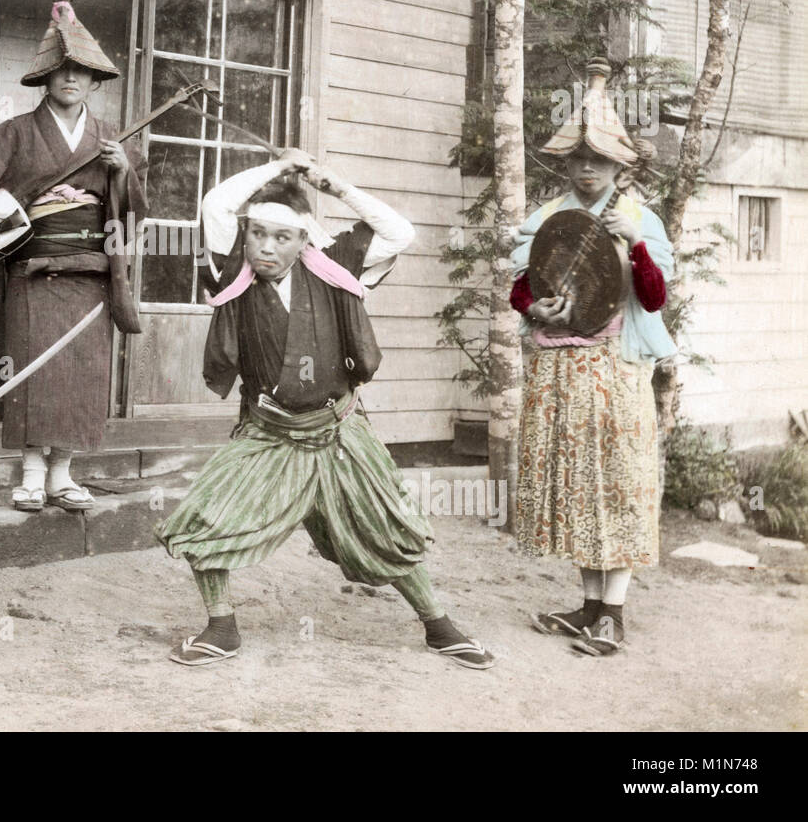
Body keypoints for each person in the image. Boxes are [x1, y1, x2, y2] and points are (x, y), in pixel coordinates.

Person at [154, 149, 494, 669]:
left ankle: (437, 624)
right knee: (205, 520)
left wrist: (333, 184)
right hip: (268, 433)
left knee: (387, 529)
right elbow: (216, 204)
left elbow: (400, 232)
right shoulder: (232, 274)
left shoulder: (336, 267)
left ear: (304, 240)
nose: (266, 247)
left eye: (281, 237)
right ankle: (221, 626)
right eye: (258, 234)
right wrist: (277, 167)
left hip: (339, 431)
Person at [0, 0, 146, 513]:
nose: (71, 78)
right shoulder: (13, 133)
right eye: (62, 70)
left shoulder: (109, 139)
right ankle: (30, 474)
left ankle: (64, 473)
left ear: (95, 80)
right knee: (32, 366)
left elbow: (132, 209)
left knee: (81, 372)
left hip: (91, 274)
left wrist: (121, 172)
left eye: (81, 71)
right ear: (46, 78)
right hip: (34, 269)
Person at [510, 60, 675, 657]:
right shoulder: (549, 219)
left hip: (615, 368)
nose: (586, 170)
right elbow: (522, 286)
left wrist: (631, 243)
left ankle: (615, 613)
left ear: (617, 166)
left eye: (598, 161)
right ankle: (586, 607)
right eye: (577, 159)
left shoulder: (640, 220)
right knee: (579, 484)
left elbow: (653, 298)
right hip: (560, 365)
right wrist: (536, 310)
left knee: (619, 481)